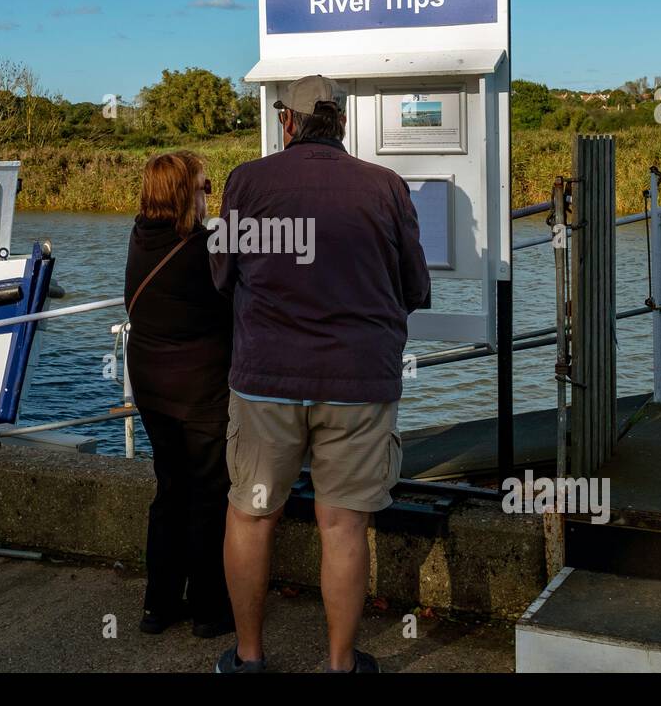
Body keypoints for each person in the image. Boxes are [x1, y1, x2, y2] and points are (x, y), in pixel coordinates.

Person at [209, 75, 431, 674]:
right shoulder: (385, 187)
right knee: (343, 524)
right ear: (341, 124)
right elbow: (416, 287)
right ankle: (340, 664)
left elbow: (220, 276)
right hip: (359, 381)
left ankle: (249, 658)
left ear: (289, 122)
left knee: (252, 514)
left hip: (265, 383)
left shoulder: (247, 183)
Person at [124, 151, 235, 639]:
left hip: (151, 382)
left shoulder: (140, 236)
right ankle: (209, 609)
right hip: (200, 387)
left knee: (170, 489)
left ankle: (158, 606)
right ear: (184, 193)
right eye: (204, 186)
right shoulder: (201, 250)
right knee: (210, 494)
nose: (208, 194)